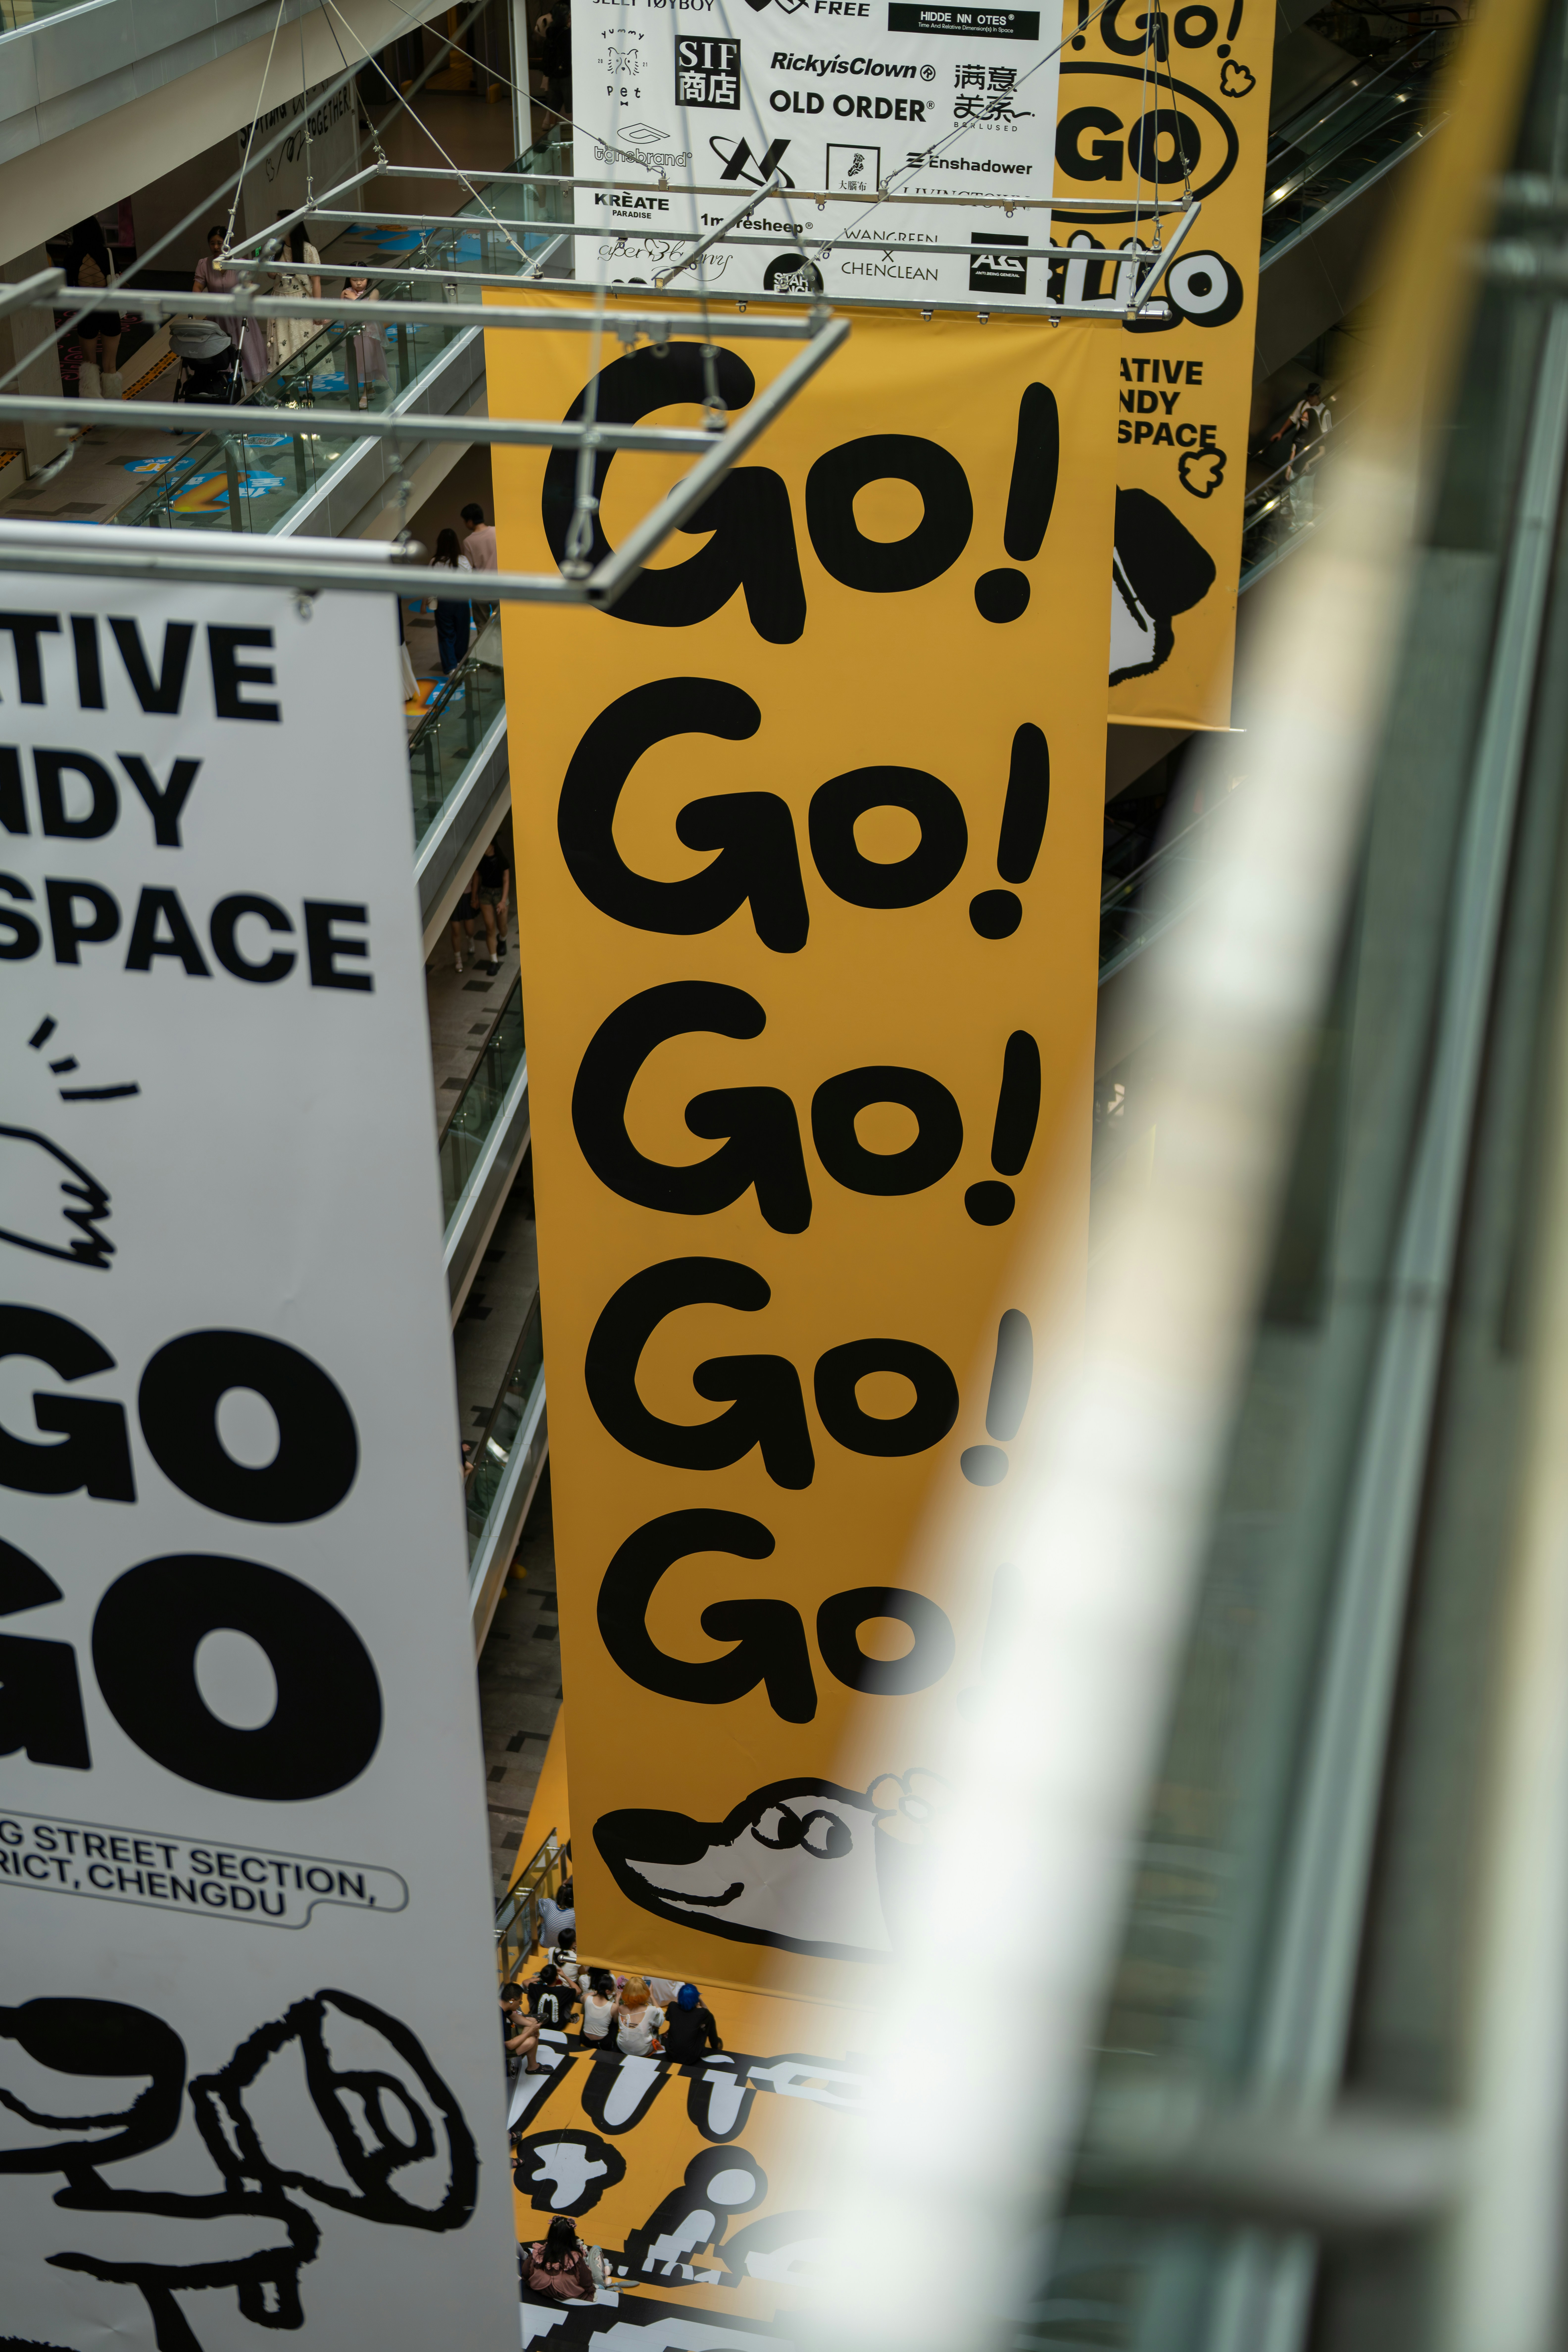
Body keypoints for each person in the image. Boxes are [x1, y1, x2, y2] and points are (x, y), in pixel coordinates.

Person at [193, 225, 267, 385]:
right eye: (212, 243)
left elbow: (250, 290)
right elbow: (198, 288)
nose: (216, 247)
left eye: (219, 243)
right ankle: (228, 391)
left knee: (247, 353)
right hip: (218, 320)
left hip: (239, 318)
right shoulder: (204, 264)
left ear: (228, 244)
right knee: (223, 359)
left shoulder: (240, 264)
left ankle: (256, 390)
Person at [68, 218, 122, 404]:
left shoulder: (72, 255)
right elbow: (120, 279)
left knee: (89, 363)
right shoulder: (107, 253)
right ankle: (113, 405)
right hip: (109, 311)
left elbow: (68, 287)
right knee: (110, 365)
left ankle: (93, 405)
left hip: (87, 312)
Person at [263, 213, 322, 376]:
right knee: (283, 350)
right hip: (280, 301)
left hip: (301, 302)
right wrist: (267, 255)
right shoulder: (277, 248)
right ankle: (293, 397)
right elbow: (271, 276)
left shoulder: (308, 250)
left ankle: (307, 396)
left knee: (305, 348)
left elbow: (316, 282)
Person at [521, 2215, 595, 2301]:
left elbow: (525, 2272)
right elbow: (587, 2282)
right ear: (571, 2238)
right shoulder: (574, 2259)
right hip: (567, 2296)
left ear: (550, 2235)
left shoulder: (539, 2253)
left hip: (538, 2289)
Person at [430, 527, 473, 675]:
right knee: (462, 634)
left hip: (444, 603)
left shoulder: (435, 563)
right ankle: (461, 662)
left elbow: (431, 584)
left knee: (446, 635)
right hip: (461, 602)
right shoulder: (463, 561)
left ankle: (450, 667)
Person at [341, 275, 387, 408]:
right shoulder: (346, 292)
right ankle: (370, 388)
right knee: (357, 361)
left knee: (368, 361)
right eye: (355, 280)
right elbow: (340, 311)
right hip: (353, 333)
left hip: (369, 332)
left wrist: (354, 299)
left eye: (362, 280)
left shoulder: (374, 292)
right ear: (349, 280)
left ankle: (366, 393)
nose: (359, 283)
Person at [468, 836, 509, 975]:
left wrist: (503, 901)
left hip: (500, 894)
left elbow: (506, 881)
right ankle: (494, 961)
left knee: (502, 927)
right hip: (485, 894)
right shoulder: (481, 860)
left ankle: (503, 939)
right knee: (490, 928)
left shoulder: (502, 859)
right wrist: (474, 898)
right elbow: (477, 878)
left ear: (492, 844)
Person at [660, 1983, 722, 2064]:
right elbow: (708, 2014)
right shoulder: (703, 2014)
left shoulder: (672, 2006)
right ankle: (717, 2045)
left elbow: (669, 2017)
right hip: (691, 2057)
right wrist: (699, 1999)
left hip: (671, 2054)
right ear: (696, 2000)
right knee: (708, 2023)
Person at [461, 501, 498, 617]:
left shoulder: (468, 541)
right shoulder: (497, 532)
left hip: (480, 591)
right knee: (502, 624)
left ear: (470, 521)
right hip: (499, 587)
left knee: (482, 625)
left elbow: (469, 567)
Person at [613, 1976, 665, 2058]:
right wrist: (652, 1996)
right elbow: (661, 2019)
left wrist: (617, 2000)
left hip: (623, 2048)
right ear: (645, 1993)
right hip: (644, 2051)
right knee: (656, 2025)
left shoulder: (621, 2008)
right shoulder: (651, 2010)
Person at [527, 1963, 578, 2034]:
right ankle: (570, 2018)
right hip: (558, 2026)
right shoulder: (564, 1991)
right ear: (557, 1977)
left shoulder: (537, 1988)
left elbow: (526, 1982)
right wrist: (564, 1976)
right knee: (569, 1999)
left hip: (538, 2023)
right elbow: (578, 1990)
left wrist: (542, 1978)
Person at [578, 1968, 619, 2051]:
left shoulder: (587, 1998)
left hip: (584, 2039)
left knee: (588, 2010)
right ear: (608, 1991)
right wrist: (618, 2000)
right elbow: (616, 2021)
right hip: (602, 2044)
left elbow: (581, 1999)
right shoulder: (613, 2006)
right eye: (613, 1987)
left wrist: (596, 1992)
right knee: (615, 2024)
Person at [500, 1981, 530, 2076]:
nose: (520, 2005)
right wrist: (530, 2032)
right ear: (512, 2001)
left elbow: (515, 2017)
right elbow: (510, 2046)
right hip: (500, 2050)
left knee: (531, 2022)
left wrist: (532, 2025)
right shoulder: (501, 2019)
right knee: (531, 2040)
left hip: (505, 2039)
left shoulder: (502, 2006)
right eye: (520, 2002)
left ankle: (533, 2065)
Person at [539, 1874, 575, 1948]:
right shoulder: (574, 1914)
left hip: (545, 1945)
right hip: (562, 1948)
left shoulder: (549, 1903)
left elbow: (539, 1901)